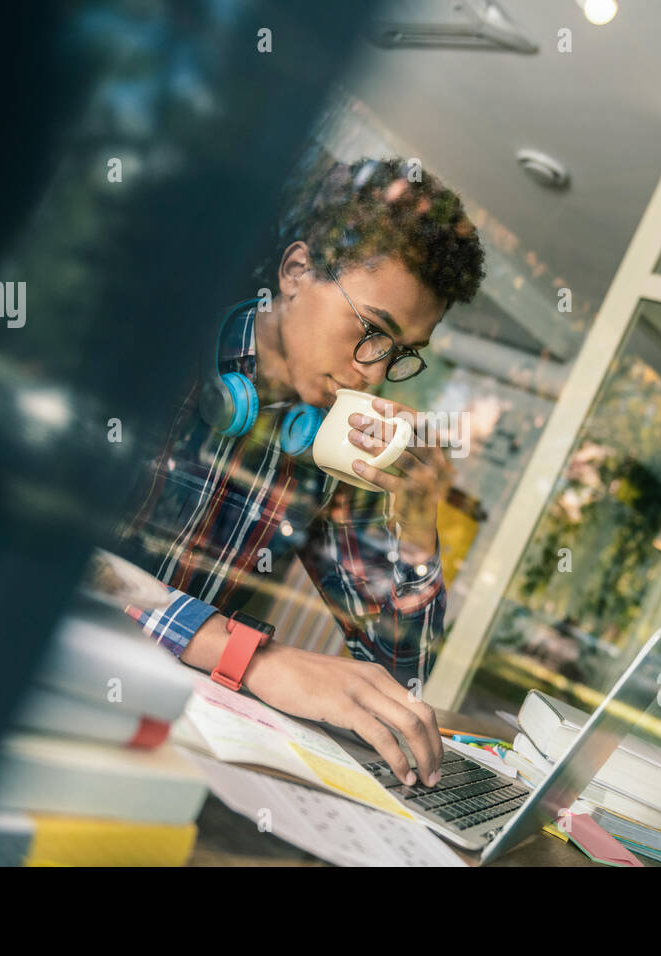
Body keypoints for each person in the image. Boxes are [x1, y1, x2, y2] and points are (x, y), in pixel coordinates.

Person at [115, 157, 485, 787]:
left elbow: (399, 676)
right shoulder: (151, 340)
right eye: (372, 330)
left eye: (400, 354)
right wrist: (252, 657)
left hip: (164, 734)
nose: (374, 372)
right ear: (296, 272)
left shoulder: (335, 441)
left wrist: (418, 528)